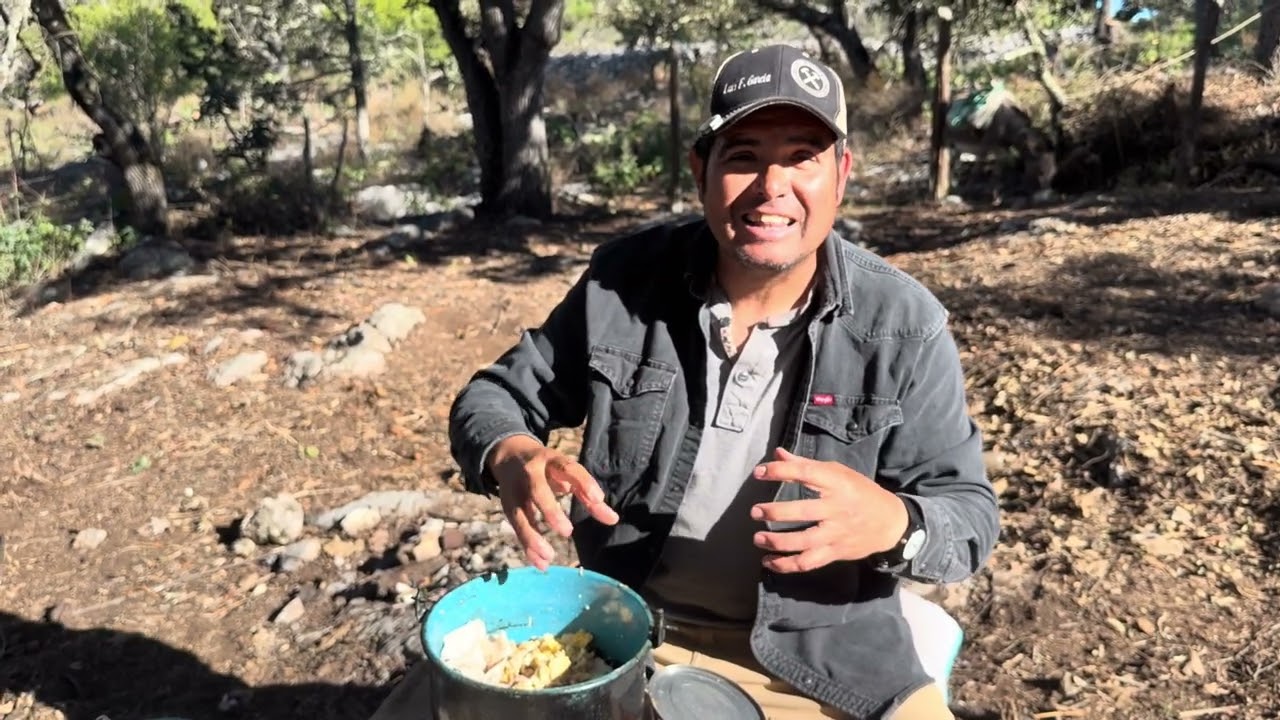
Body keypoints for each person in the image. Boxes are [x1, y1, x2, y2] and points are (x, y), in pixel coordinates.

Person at [442, 44, 998, 720]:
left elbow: (969, 517)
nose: (773, 187)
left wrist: (896, 523)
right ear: (701, 170)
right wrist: (511, 453)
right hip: (628, 631)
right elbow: (495, 395)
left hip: (823, 657)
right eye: (743, 157)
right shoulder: (625, 283)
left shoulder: (903, 325)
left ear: (841, 174)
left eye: (803, 158)